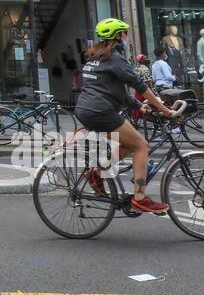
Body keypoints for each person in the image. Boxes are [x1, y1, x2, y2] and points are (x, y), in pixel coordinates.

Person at [72, 19, 181, 216]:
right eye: (124, 33)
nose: (126, 36)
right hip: (101, 111)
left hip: (85, 109)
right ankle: (139, 198)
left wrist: (140, 106)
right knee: (141, 145)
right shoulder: (114, 57)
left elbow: (117, 91)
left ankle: (96, 173)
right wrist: (164, 109)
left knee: (127, 145)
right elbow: (139, 85)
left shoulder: (95, 57)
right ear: (117, 36)